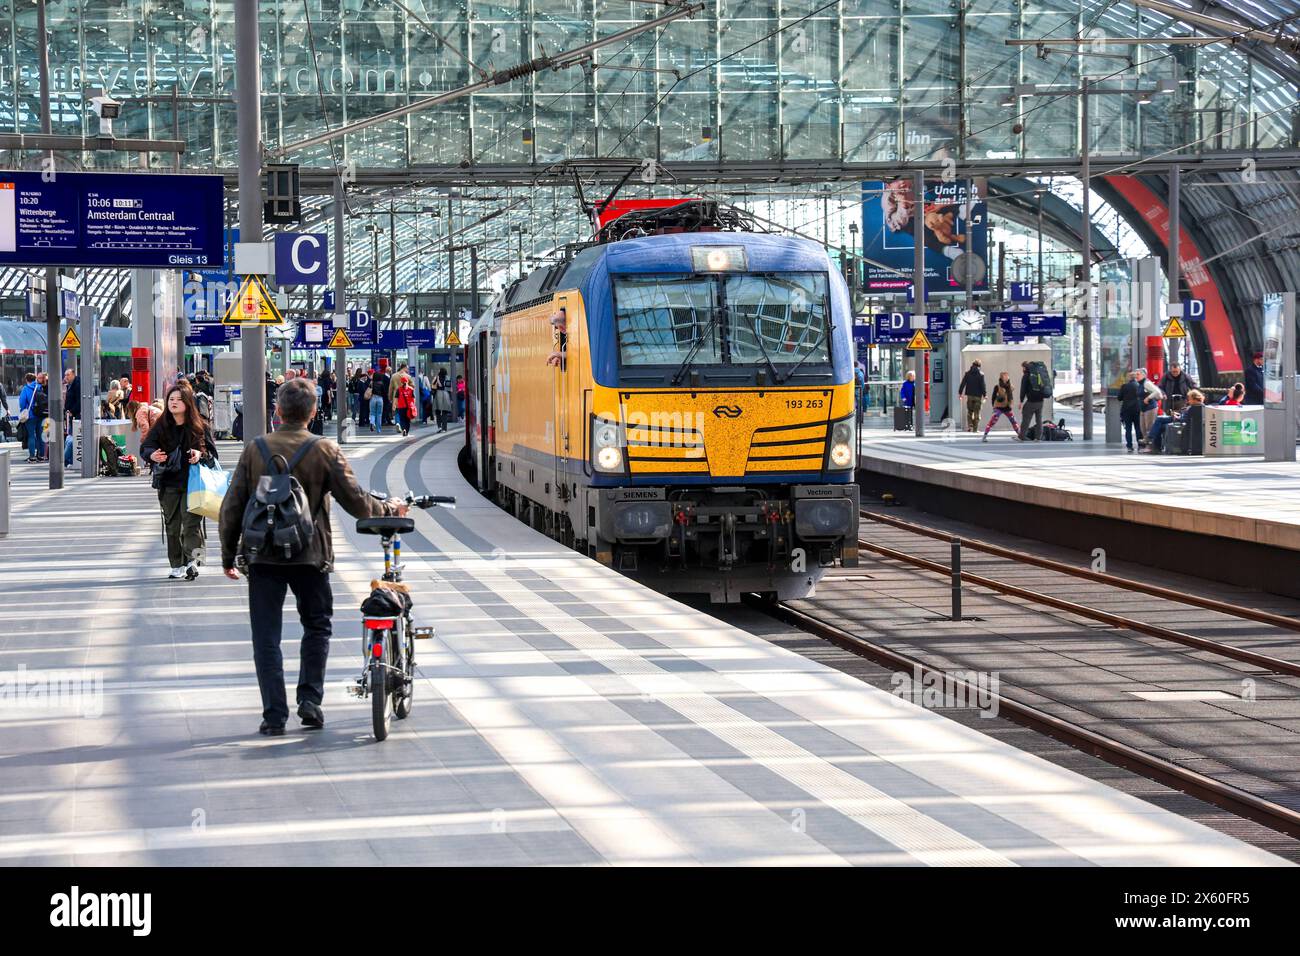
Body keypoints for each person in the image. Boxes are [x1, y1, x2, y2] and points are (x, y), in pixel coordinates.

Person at [217, 378, 407, 736]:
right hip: (311, 554)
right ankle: (310, 701)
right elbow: (357, 502)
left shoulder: (255, 449)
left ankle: (274, 715)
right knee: (317, 626)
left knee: (266, 637)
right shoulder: (324, 449)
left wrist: (229, 554)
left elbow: (232, 506)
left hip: (263, 557)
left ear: (277, 410)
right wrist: (388, 509)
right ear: (313, 412)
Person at [141, 385, 218, 580]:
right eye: (171, 399)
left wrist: (200, 454)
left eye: (178, 399)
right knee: (173, 526)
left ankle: (194, 561)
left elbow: (212, 455)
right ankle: (177, 564)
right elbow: (146, 447)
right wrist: (153, 455)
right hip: (169, 483)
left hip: (195, 483)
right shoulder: (161, 426)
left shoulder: (200, 426)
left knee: (191, 524)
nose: (173, 402)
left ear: (187, 403)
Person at [982, 372, 1021, 441]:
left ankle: (1020, 435)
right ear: (1001, 378)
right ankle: (985, 436)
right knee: (993, 420)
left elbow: (1011, 396)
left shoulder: (1011, 386)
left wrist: (1011, 403)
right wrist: (993, 407)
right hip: (998, 407)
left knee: (1013, 421)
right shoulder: (997, 386)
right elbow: (993, 397)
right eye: (1005, 376)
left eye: (1007, 376)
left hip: (1007, 407)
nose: (1006, 377)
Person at [18, 372, 46, 463]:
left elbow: (22, 402)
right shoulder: (39, 387)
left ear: (26, 380)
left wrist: (24, 410)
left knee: (31, 436)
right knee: (40, 435)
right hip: (40, 415)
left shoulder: (25, 388)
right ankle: (41, 456)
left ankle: (32, 457)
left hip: (30, 416)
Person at [1018, 360, 1050, 441]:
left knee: (1026, 418)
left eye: (1022, 368)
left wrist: (1021, 401)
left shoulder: (1026, 375)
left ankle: (1022, 436)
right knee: (1039, 419)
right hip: (1040, 400)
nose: (1022, 369)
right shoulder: (1038, 373)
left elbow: (1023, 390)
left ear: (1025, 368)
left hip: (1031, 401)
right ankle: (1038, 437)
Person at [1118, 371, 1145, 452]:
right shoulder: (1139, 386)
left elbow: (1119, 398)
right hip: (1137, 409)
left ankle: (1129, 446)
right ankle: (1140, 445)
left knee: (1128, 429)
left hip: (1127, 410)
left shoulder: (1124, 386)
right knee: (1138, 428)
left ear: (1129, 378)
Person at [1136, 368, 1164, 443]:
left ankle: (1152, 446)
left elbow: (1157, 391)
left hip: (1150, 408)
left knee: (1150, 428)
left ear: (1143, 375)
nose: (1136, 376)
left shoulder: (1146, 383)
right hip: (1143, 409)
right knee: (1143, 428)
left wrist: (1148, 398)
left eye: (1138, 374)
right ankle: (1147, 443)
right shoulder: (1140, 384)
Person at [957, 360, 985, 432]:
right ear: (979, 366)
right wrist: (985, 394)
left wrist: (960, 393)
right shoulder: (981, 374)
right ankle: (975, 429)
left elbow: (963, 383)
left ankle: (970, 425)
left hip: (969, 395)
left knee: (970, 411)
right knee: (977, 412)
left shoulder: (967, 373)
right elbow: (983, 386)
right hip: (978, 396)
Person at [394, 372, 416, 437]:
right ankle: (406, 431)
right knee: (408, 420)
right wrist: (413, 406)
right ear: (407, 381)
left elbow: (396, 398)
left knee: (402, 419)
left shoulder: (399, 389)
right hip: (409, 407)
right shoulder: (411, 389)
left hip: (401, 407)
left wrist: (395, 405)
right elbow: (413, 398)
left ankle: (403, 429)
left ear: (401, 382)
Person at [434, 368, 452, 432]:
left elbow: (434, 385)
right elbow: (449, 388)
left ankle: (439, 427)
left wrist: (437, 379)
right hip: (446, 394)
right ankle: (444, 428)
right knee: (445, 412)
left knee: (438, 411)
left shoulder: (437, 377)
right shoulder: (448, 378)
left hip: (438, 394)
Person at [367, 368, 385, 433]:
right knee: (379, 414)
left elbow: (369, 390)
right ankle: (378, 429)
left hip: (373, 398)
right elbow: (384, 392)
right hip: (380, 399)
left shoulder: (371, 383)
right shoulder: (381, 383)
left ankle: (372, 423)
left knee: (372, 413)